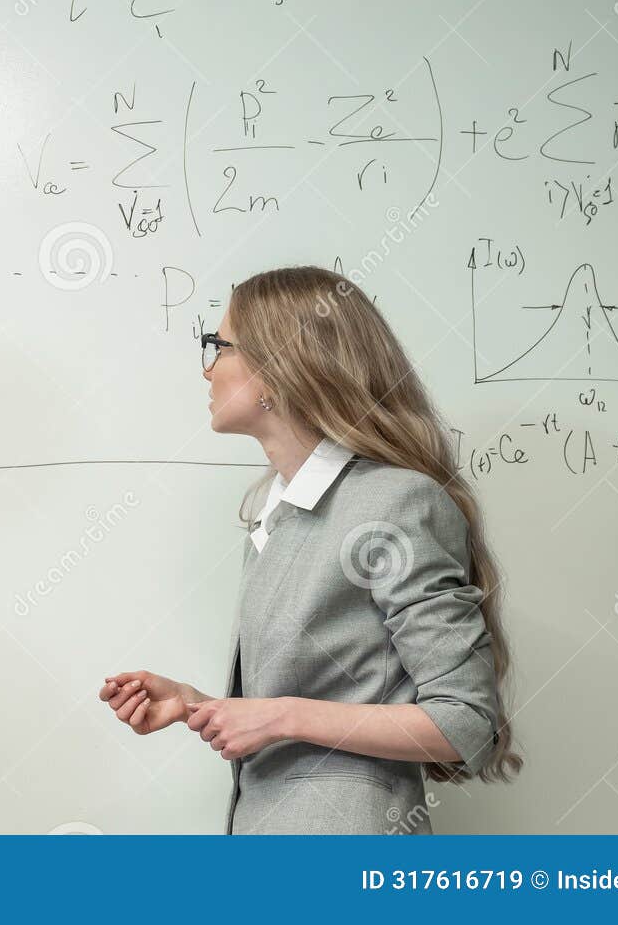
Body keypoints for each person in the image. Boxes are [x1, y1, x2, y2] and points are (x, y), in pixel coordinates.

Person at [99, 265, 521, 833]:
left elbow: (466, 721)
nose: (207, 368)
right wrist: (197, 704)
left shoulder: (394, 503)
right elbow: (313, 701)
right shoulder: (278, 511)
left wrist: (280, 716)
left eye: (219, 348)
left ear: (278, 369)